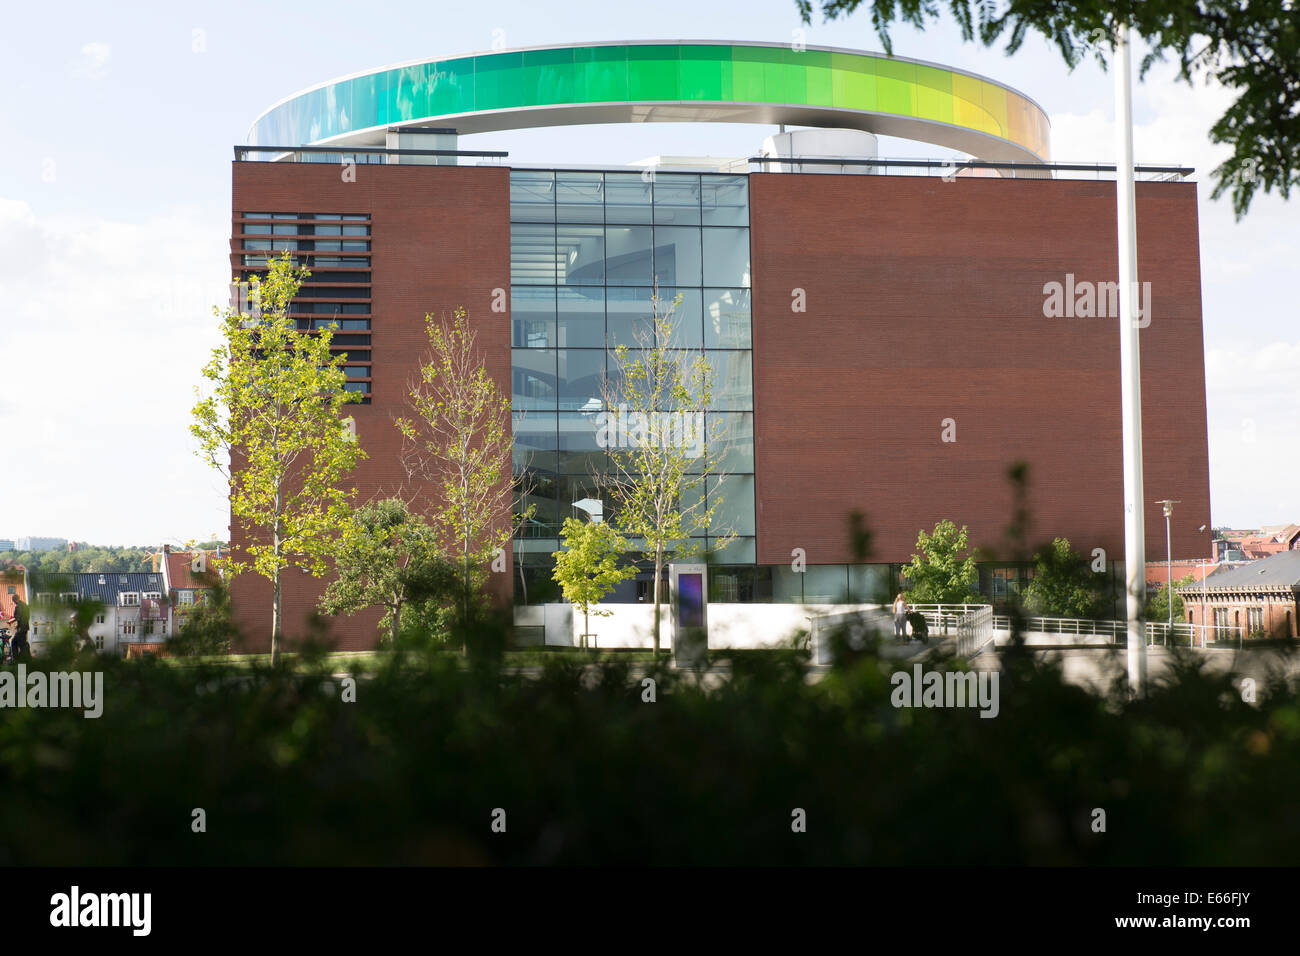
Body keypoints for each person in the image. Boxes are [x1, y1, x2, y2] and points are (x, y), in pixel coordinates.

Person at [8, 595, 30, 659]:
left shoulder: (18, 606)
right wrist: (18, 625)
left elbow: (18, 617)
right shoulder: (25, 605)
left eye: (13, 601)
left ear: (14, 600)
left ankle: (18, 659)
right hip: (25, 627)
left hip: (21, 629)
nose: (14, 602)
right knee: (24, 642)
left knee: (15, 642)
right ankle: (27, 657)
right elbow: (25, 617)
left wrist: (10, 621)